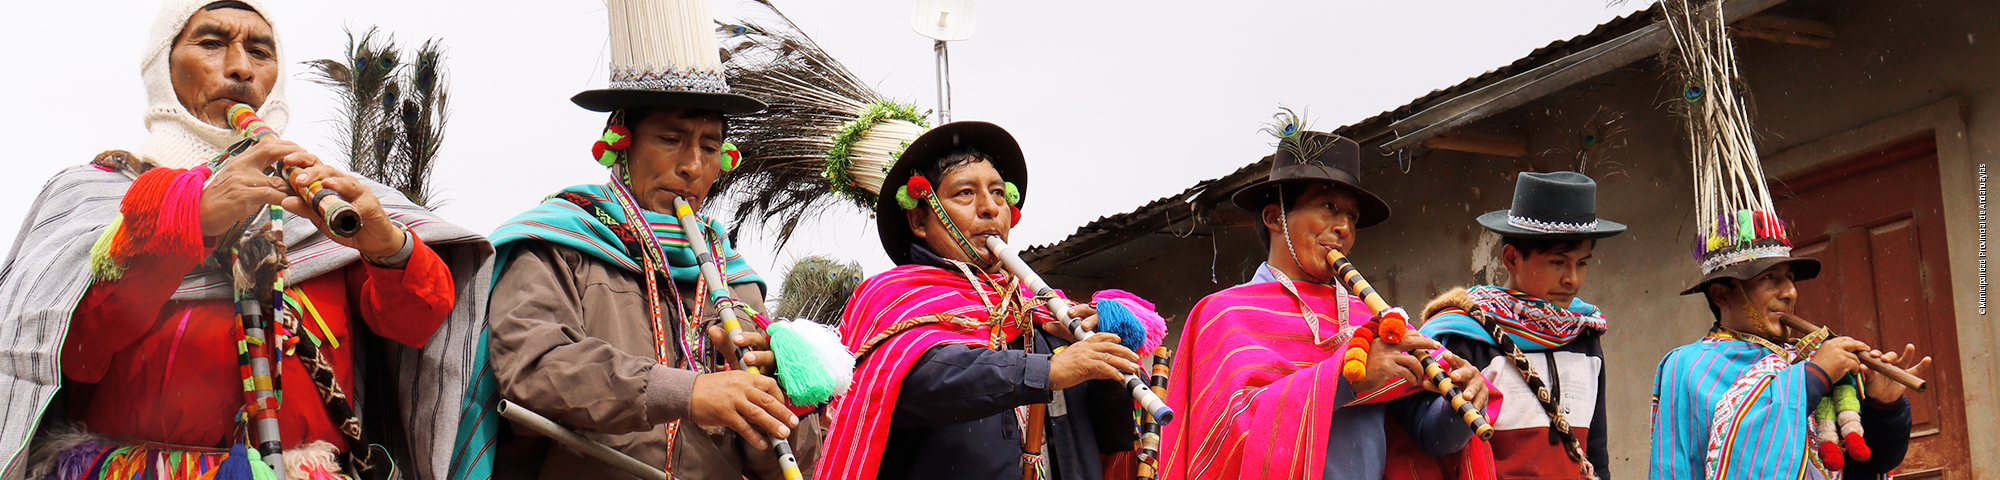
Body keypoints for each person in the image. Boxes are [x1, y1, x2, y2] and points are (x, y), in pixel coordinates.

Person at [0, 1, 492, 479]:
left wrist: (388, 245)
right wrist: (192, 216)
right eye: (211, 43)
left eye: (260, 51)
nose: (239, 69)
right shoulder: (102, 194)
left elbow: (418, 326)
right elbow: (73, 350)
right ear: (163, 68)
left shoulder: (326, 198)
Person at [480, 0, 816, 478]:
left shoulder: (734, 283)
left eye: (708, 147)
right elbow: (535, 368)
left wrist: (771, 403)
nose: (692, 167)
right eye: (671, 139)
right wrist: (688, 393)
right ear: (622, 141)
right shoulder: (558, 241)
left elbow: (794, 457)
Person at [1158, 122, 1494, 480]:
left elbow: (1431, 437)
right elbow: (1230, 439)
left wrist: (1460, 407)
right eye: (1328, 206)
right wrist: (1343, 380)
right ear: (1275, 217)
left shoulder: (1373, 318)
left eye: (1351, 215)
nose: (1344, 228)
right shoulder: (1223, 315)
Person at [814, 121, 1148, 480]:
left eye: (999, 194)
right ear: (918, 220)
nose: (989, 208)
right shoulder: (891, 296)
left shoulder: (1039, 310)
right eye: (965, 194)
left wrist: (1103, 367)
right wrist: (1047, 371)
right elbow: (913, 383)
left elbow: (1111, 439)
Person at [1649, 242, 1928, 479]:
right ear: (1721, 294)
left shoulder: (1801, 361)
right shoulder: (1688, 365)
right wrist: (1815, 375)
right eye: (1769, 278)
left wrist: (1883, 409)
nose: (1790, 293)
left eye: (1790, 278)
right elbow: (1746, 456)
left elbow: (1864, 467)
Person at [1417, 172, 1625, 479]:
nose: (1573, 279)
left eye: (1582, 263)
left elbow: (1595, 450)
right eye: (1558, 262)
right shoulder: (1464, 335)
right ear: (1512, 259)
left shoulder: (1584, 334)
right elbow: (1430, 439)